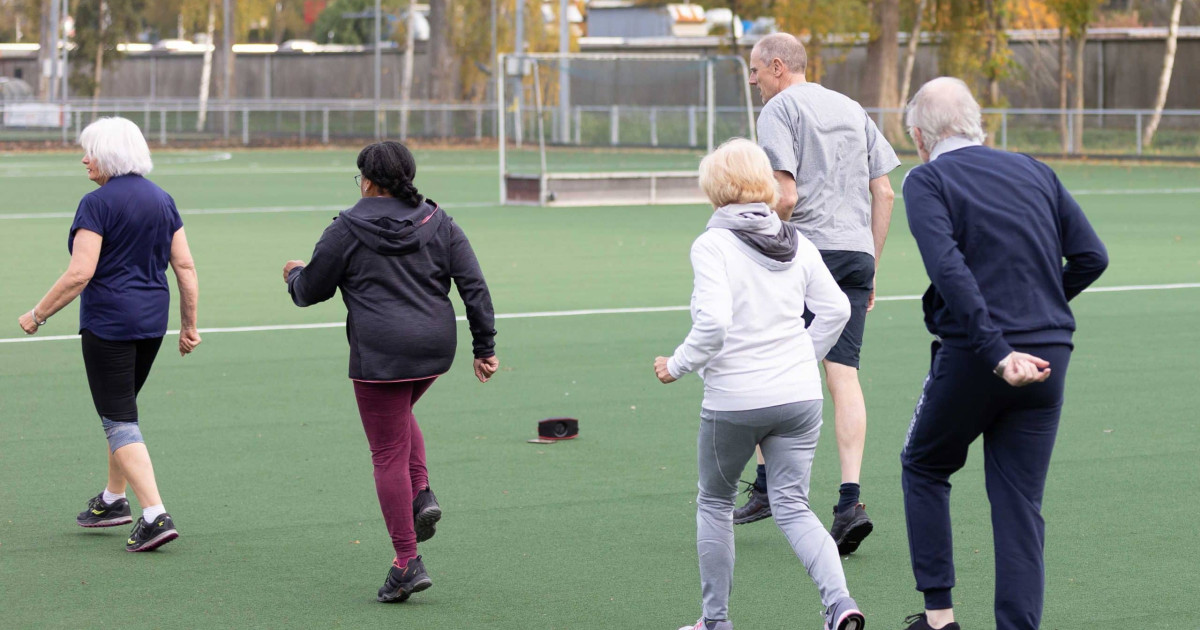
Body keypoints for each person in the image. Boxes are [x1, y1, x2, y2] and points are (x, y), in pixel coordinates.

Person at [897, 77, 1108, 630]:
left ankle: (939, 620)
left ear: (919, 137)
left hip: (978, 355)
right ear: (978, 124)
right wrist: (1041, 308)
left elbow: (948, 268)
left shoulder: (926, 179)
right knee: (1019, 502)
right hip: (1050, 354)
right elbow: (1092, 256)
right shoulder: (1035, 170)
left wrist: (996, 350)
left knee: (924, 464)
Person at [654, 138, 864, 630]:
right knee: (794, 506)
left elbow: (713, 324)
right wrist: (801, 356)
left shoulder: (712, 244)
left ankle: (716, 622)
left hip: (735, 399)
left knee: (714, 503)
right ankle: (839, 604)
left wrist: (677, 364)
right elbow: (837, 309)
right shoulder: (798, 241)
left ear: (715, 187)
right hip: (799, 397)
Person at [283, 140, 499, 604]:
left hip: (380, 356)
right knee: (399, 418)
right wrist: (485, 346)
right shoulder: (440, 220)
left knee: (386, 453)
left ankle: (406, 562)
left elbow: (311, 290)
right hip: (433, 350)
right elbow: (474, 286)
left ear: (366, 180)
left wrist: (293, 274)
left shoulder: (345, 228)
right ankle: (421, 492)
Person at [734, 32, 901, 556]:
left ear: (777, 67)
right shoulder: (851, 107)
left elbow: (785, 196)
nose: (753, 81)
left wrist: (756, 241)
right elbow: (884, 191)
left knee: (767, 362)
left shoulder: (779, 110)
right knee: (843, 375)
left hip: (808, 254)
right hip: (856, 254)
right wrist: (871, 266)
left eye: (756, 71)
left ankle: (768, 487)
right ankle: (850, 501)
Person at [17, 116, 201, 552]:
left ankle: (154, 514)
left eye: (91, 152)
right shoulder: (163, 199)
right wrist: (189, 325)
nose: (85, 159)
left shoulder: (96, 204)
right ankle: (114, 498)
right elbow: (185, 267)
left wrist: (38, 314)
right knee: (122, 412)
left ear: (110, 156)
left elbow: (80, 273)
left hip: (109, 325)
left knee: (118, 419)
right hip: (151, 324)